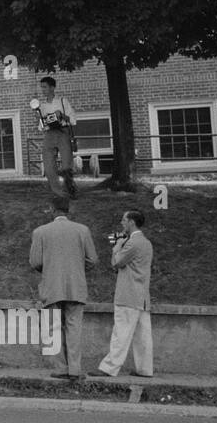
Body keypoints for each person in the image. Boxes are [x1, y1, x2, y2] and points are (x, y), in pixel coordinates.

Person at [29, 195, 98, 381]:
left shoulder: (40, 232)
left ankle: (61, 367)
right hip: (76, 286)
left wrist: (50, 269)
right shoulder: (82, 230)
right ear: (69, 210)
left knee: (54, 327)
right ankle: (75, 369)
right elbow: (93, 260)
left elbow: (35, 261)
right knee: (74, 327)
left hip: (51, 287)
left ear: (52, 210)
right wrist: (77, 269)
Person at [91, 210, 154, 378]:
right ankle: (145, 369)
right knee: (143, 336)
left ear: (132, 222)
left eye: (124, 220)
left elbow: (117, 263)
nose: (122, 223)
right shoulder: (147, 243)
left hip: (128, 295)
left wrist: (116, 247)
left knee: (121, 333)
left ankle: (108, 368)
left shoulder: (132, 243)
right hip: (143, 297)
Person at [35, 76, 78, 199]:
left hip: (63, 132)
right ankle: (57, 193)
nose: (43, 90)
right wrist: (40, 119)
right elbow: (41, 127)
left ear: (52, 87)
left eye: (45, 87)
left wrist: (61, 116)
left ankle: (70, 191)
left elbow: (73, 120)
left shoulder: (63, 101)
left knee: (66, 166)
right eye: (41, 87)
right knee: (48, 166)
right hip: (49, 134)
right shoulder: (41, 106)